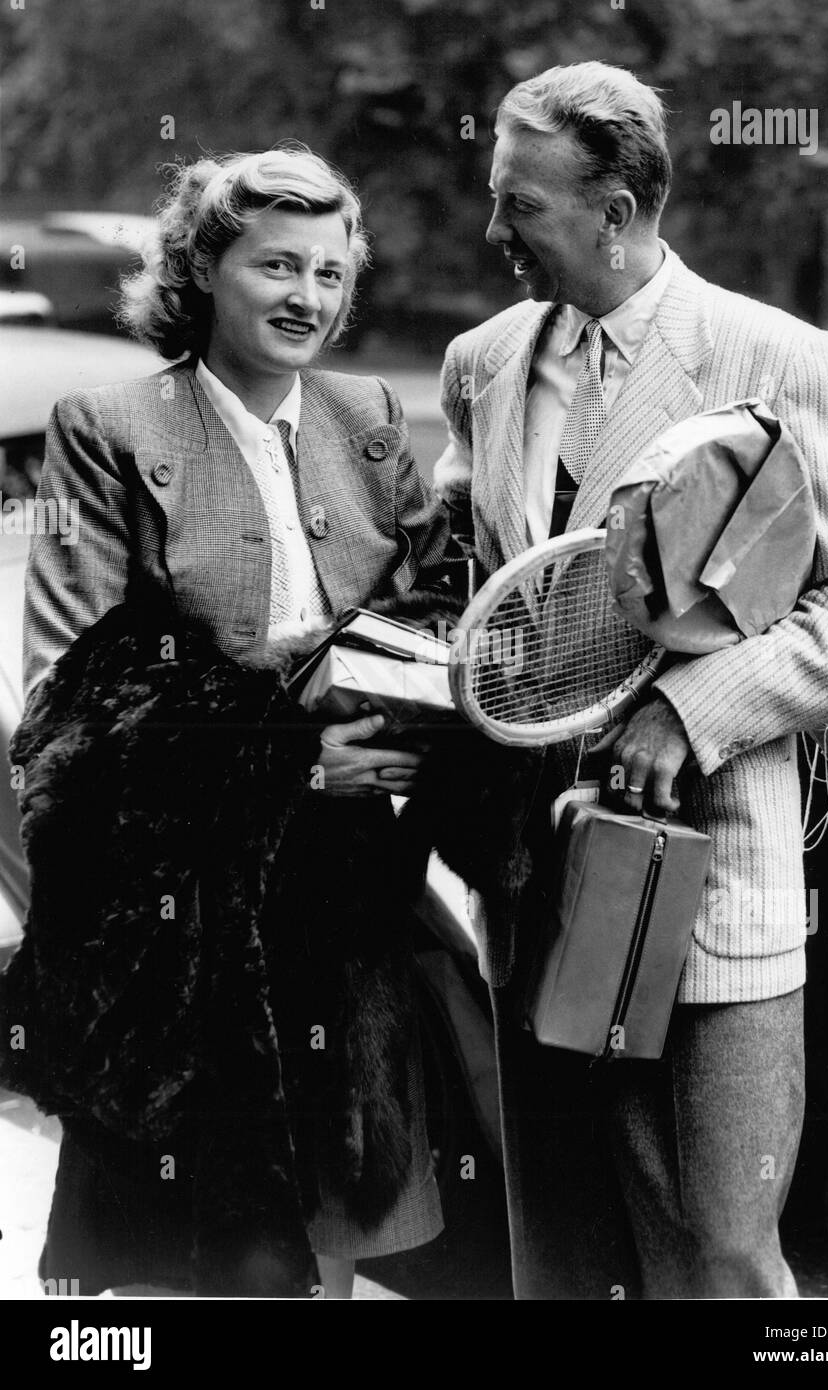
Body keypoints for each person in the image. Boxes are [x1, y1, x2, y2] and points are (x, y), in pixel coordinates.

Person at [434, 62, 828, 1299]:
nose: (493, 232)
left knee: (719, 1250)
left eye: (520, 207)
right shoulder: (482, 364)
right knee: (564, 1252)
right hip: (530, 880)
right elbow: (467, 582)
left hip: (711, 876)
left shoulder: (777, 357)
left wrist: (688, 711)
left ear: (615, 209)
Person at [17, 145, 454, 1299]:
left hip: (348, 881)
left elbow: (423, 619)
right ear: (204, 268)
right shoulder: (109, 423)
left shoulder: (365, 415)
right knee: (182, 1242)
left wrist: (402, 734)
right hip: (171, 903)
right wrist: (292, 759)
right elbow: (71, 699)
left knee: (334, 1213)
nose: (306, 296)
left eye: (329, 272)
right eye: (274, 264)